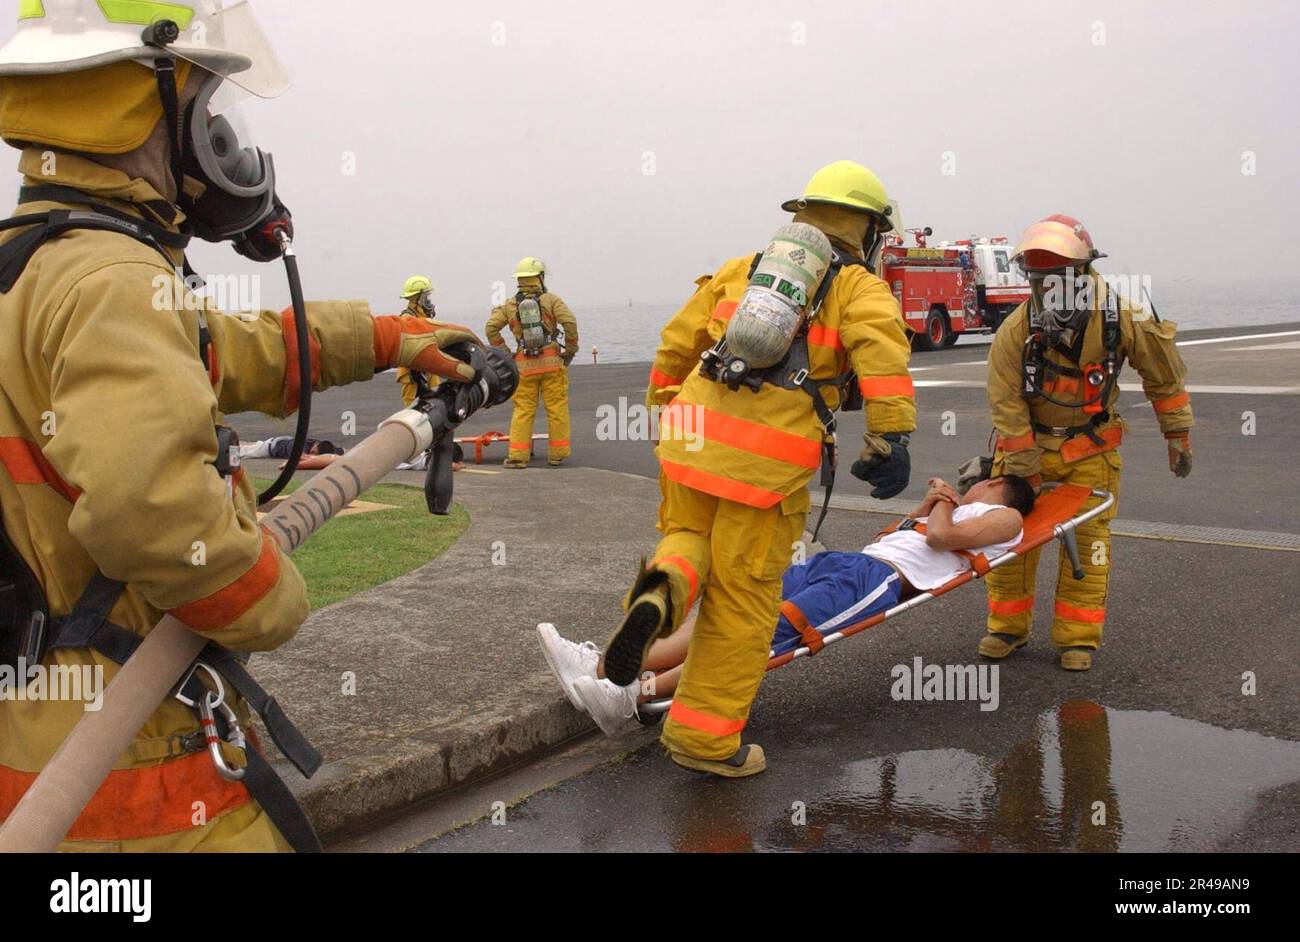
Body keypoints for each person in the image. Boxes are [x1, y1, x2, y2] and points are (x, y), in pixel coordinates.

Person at [0, 0, 491, 852]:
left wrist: (382, 338)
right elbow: (147, 511)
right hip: (135, 762)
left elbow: (217, 350)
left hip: (39, 725)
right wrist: (269, 595)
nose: (222, 146)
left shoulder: (37, 262)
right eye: (207, 113)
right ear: (147, 102)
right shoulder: (111, 275)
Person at [599, 160, 916, 779]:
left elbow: (674, 344)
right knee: (743, 602)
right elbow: (882, 353)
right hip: (762, 470)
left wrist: (667, 412)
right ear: (866, 227)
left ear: (807, 213)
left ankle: (658, 599)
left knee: (687, 543)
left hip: (689, 442)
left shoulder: (742, 270)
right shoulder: (860, 288)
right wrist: (890, 436)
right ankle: (704, 740)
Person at [541, 475, 1035, 742]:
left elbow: (944, 538)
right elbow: (907, 531)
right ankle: (604, 666)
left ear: (1000, 490)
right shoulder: (959, 506)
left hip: (876, 580)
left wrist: (945, 501)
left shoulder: (1004, 516)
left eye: (984, 482)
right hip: (851, 560)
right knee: (735, 614)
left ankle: (630, 697)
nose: (976, 483)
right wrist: (929, 503)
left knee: (767, 634)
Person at [982, 215, 1193, 672]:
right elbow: (1007, 404)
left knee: (1090, 550)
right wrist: (1025, 468)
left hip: (1091, 454)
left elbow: (1164, 376)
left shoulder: (1120, 319)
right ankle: (1007, 628)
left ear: (1084, 272)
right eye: (1038, 279)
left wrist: (1177, 435)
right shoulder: (1014, 333)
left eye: (1057, 277)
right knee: (1011, 545)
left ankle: (1078, 639)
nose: (1048, 288)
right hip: (1026, 456)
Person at [485, 257, 580, 467]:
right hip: (552, 363)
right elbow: (570, 322)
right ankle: (557, 454)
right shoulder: (551, 300)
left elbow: (491, 328)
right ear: (540, 277)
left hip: (523, 366)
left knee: (523, 410)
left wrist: (506, 354)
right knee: (556, 408)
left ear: (519, 280)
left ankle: (518, 457)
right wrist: (571, 349)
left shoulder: (509, 305)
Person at [396, 275, 438, 407]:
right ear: (418, 298)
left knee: (438, 407)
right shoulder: (407, 319)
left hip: (429, 370)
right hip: (413, 376)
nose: (429, 301)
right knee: (414, 412)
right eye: (426, 296)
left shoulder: (421, 317)